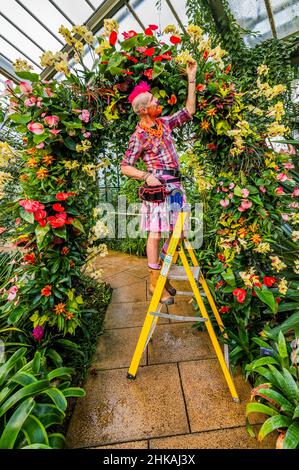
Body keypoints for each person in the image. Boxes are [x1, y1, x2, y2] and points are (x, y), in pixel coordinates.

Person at [120, 61, 197, 304]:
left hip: (176, 187)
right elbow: (124, 166)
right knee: (154, 234)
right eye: (153, 101)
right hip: (158, 190)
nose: (157, 103)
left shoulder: (164, 123)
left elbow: (188, 112)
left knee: (179, 233)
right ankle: (155, 283)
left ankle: (161, 278)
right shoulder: (138, 136)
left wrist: (191, 79)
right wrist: (145, 175)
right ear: (143, 109)